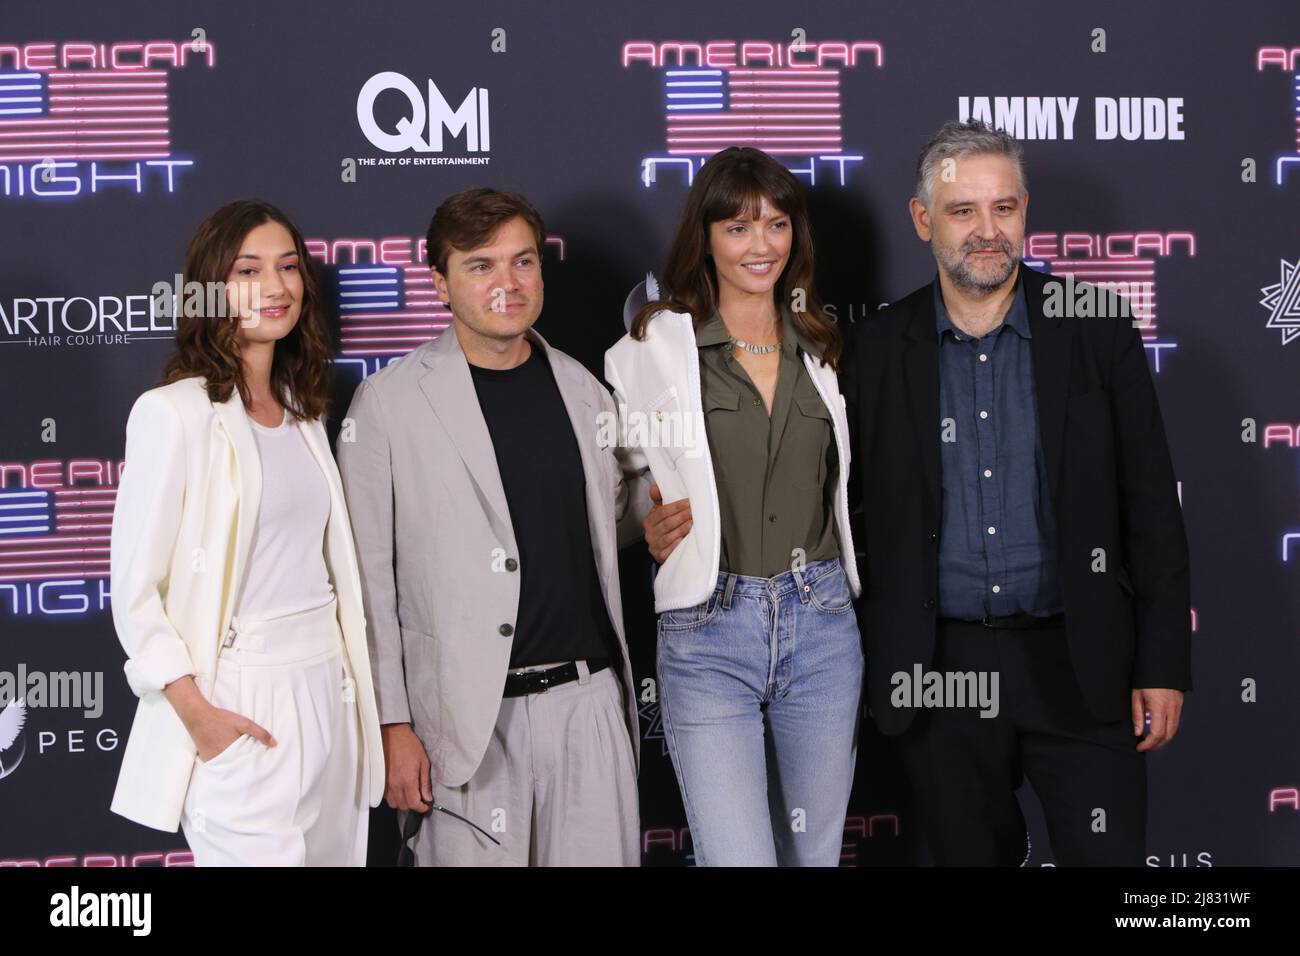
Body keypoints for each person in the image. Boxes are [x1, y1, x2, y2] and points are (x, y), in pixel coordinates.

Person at [839, 120, 1192, 865]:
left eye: (1004, 208)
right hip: (940, 676)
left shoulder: (1095, 327)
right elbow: (842, 506)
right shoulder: (875, 347)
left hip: (1082, 661)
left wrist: (1162, 663)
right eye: (964, 211)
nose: (987, 231)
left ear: (1025, 211)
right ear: (923, 219)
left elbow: (1153, 506)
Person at [337, 187, 641, 866]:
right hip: (466, 725)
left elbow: (607, 528)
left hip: (587, 707)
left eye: (523, 262)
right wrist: (391, 724)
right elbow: (366, 585)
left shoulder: (586, 390)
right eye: (481, 265)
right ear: (439, 281)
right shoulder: (385, 405)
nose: (508, 283)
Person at [608, 146, 864, 866]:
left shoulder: (823, 343)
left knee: (811, 856)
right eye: (739, 227)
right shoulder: (651, 348)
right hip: (708, 630)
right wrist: (644, 521)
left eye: (777, 225)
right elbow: (622, 485)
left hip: (821, 623)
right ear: (706, 238)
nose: (761, 246)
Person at [109, 199, 384, 865]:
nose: (276, 286)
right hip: (242, 696)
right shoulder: (173, 414)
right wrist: (198, 714)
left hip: (330, 691)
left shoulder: (303, 413)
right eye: (249, 269)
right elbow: (136, 591)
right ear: (210, 287)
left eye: (288, 267)